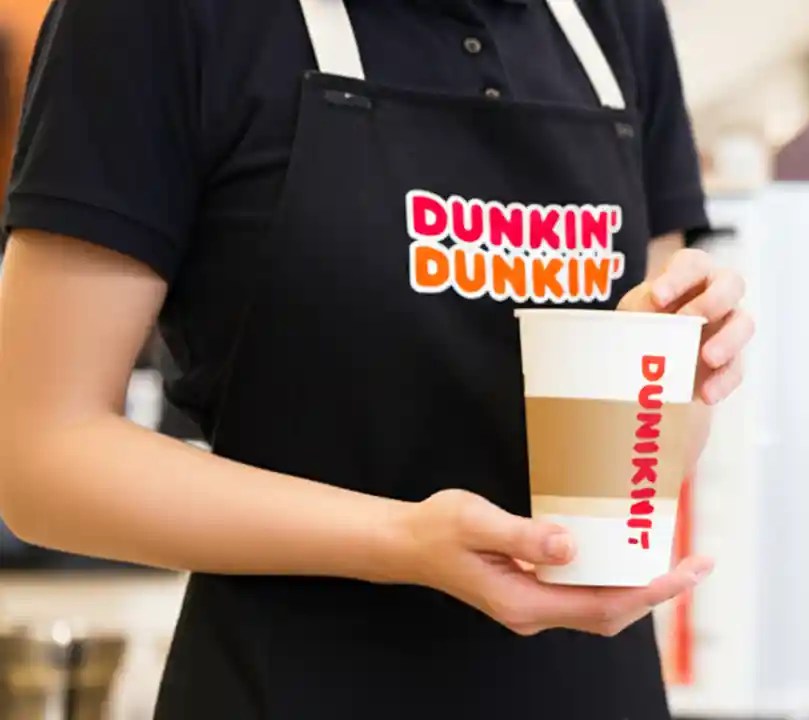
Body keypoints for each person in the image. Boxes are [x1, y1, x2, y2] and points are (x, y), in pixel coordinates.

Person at [0, 0, 753, 717]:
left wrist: (676, 369)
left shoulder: (614, 20)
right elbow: (39, 455)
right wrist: (401, 543)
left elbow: (658, 448)